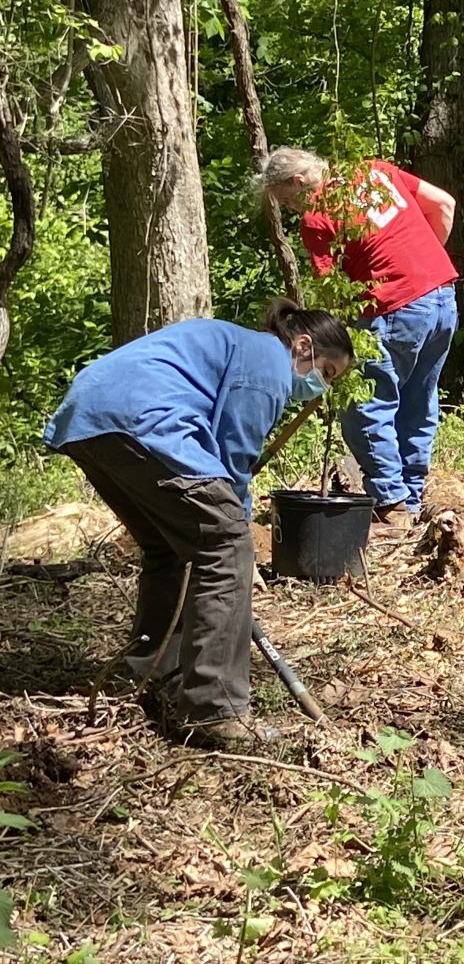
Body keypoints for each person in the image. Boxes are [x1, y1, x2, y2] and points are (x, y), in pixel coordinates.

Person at [44, 300, 353, 747]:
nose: (320, 386)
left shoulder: (242, 347)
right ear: (302, 346)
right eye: (325, 371)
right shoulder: (268, 364)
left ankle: (149, 672)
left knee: (168, 546)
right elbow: (232, 463)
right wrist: (237, 546)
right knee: (225, 543)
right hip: (141, 421)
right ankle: (215, 708)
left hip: (90, 417)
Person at [256, 147, 458, 526]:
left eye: (286, 200)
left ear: (298, 183)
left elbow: (333, 292)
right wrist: (418, 270)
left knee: (365, 406)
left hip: (391, 308)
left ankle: (391, 504)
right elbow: (443, 204)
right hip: (442, 297)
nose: (291, 209)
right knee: (419, 401)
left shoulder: (317, 217)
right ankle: (410, 499)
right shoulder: (374, 171)